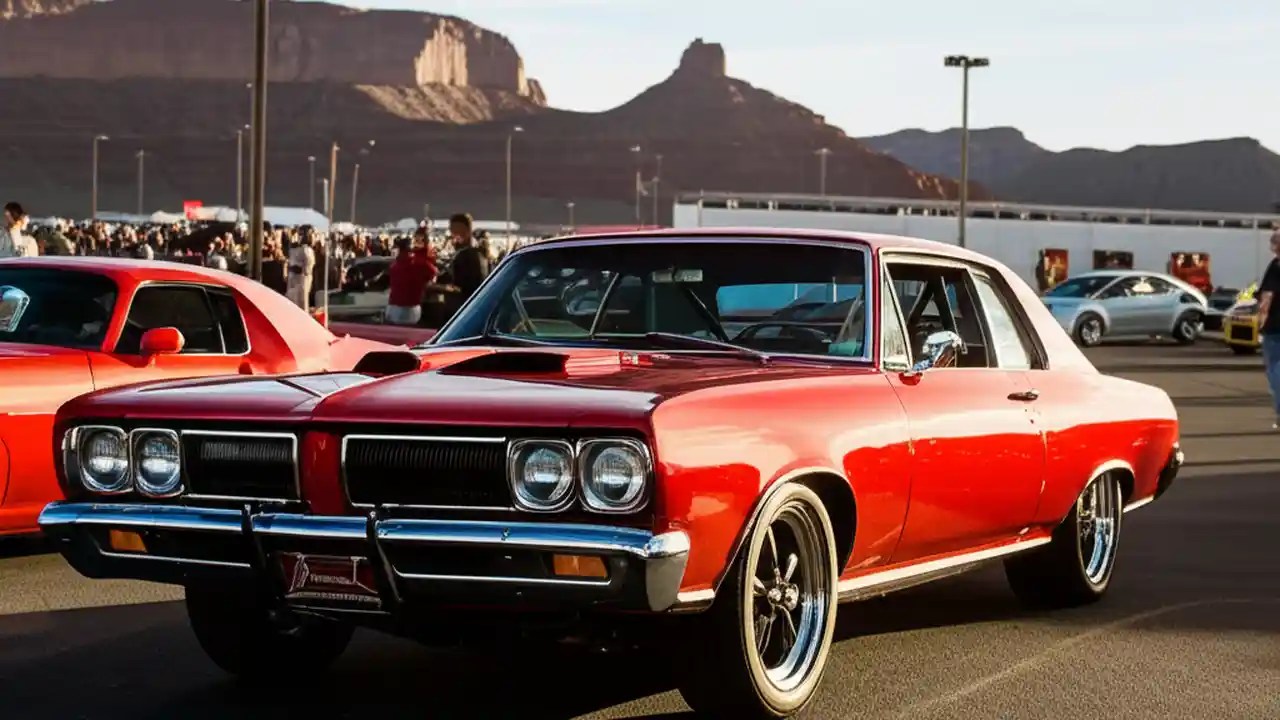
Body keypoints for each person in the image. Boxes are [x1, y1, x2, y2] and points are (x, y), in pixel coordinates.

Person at [1256, 229, 1280, 429]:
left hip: (1275, 329)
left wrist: (1261, 319)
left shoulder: (1275, 266)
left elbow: (1267, 296)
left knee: (1275, 371)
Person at [385, 236, 437, 326]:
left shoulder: (394, 266)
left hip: (396, 308)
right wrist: (428, 282)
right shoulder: (420, 263)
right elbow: (434, 273)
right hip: (411, 309)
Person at [446, 213, 489, 301]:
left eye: (455, 231)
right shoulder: (477, 252)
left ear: (467, 231)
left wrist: (439, 287)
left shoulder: (467, 255)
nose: (453, 235)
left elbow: (464, 287)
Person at [286, 226, 316, 311]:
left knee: (300, 304)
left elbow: (307, 268)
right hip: (297, 280)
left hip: (302, 280)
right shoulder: (302, 250)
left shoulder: (306, 250)